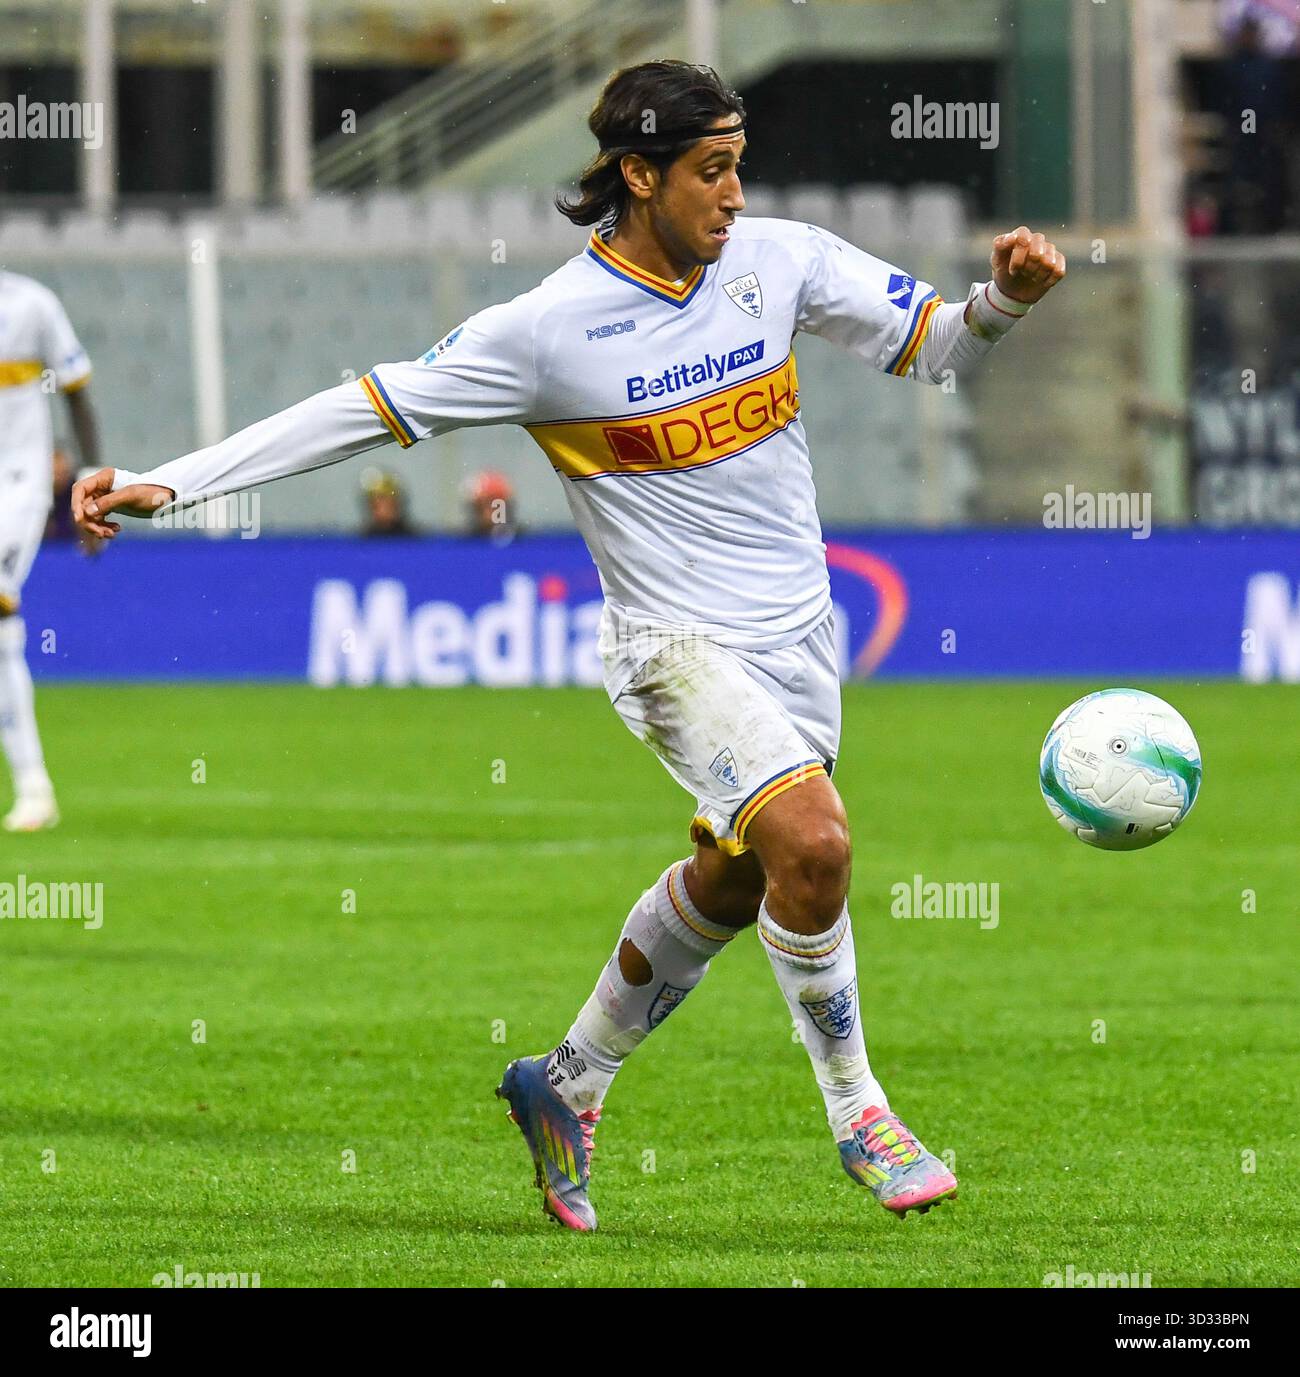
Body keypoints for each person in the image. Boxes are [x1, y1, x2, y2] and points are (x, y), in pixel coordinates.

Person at [73, 61, 1064, 1231]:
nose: (733, 195)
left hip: (799, 645)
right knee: (819, 845)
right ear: (637, 176)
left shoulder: (780, 258)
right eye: (710, 170)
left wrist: (999, 301)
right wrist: (169, 483)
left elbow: (940, 348)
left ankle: (569, 1081)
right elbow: (363, 406)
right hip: (672, 648)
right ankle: (862, 1117)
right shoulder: (546, 332)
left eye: (738, 166)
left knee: (744, 879)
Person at [1, 270, 99, 832]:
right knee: (3, 640)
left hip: (19, 485)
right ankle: (34, 786)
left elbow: (78, 394)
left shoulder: (33, 303)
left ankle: (34, 786)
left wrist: (91, 486)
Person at [464, 469, 523, 543]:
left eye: (495, 504)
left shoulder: (523, 541)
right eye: (483, 506)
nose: (489, 512)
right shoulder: (465, 543)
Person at [360, 469, 416, 536]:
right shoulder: (363, 540)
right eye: (374, 503)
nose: (378, 507)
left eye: (382, 498)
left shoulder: (413, 539)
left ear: (396, 504)